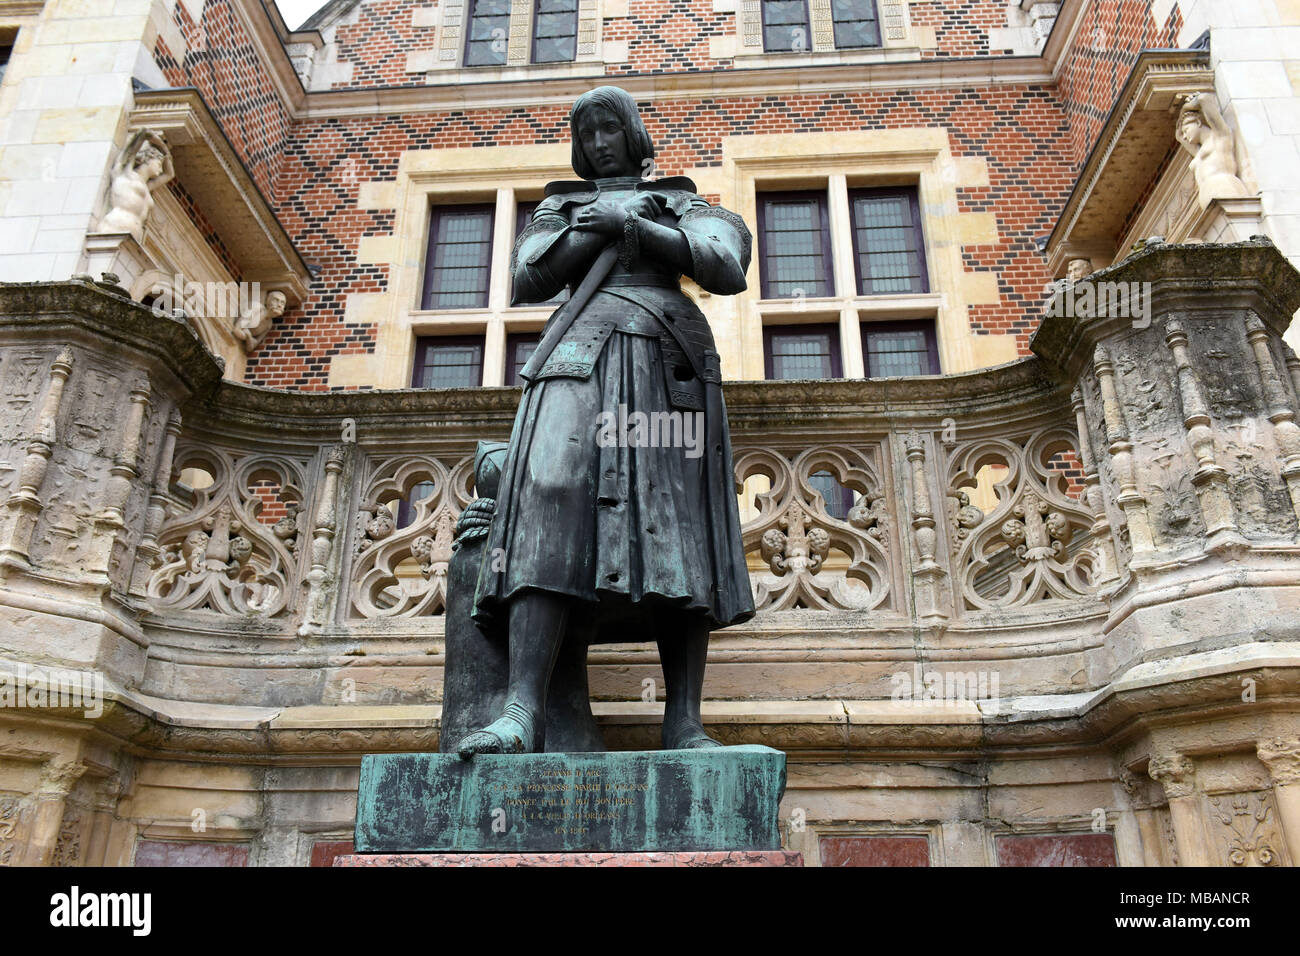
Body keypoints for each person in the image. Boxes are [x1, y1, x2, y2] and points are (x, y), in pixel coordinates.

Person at [457, 86, 755, 757]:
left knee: (677, 526)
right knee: (547, 496)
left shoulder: (686, 201)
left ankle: (683, 722)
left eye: (609, 130)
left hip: (665, 357)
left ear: (635, 135)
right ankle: (522, 713)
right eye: (585, 133)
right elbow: (526, 277)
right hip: (575, 356)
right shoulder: (559, 207)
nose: (597, 144)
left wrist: (646, 229)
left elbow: (726, 264)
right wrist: (598, 220)